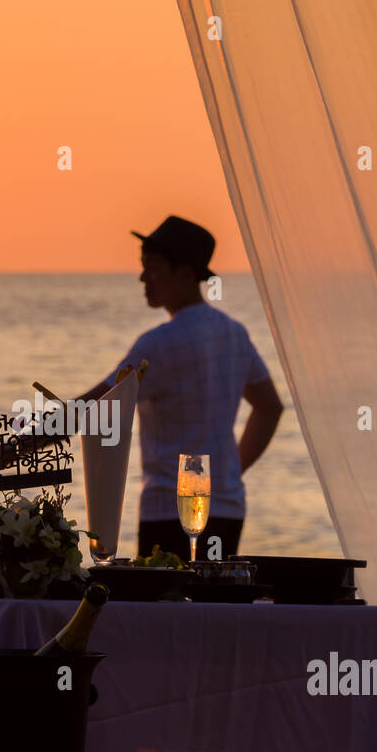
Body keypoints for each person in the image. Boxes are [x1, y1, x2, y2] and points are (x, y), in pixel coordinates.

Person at [80, 215, 283, 561]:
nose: (143, 278)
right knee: (211, 609)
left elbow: (92, 408)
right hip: (227, 507)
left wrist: (7, 450)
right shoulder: (234, 333)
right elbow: (269, 407)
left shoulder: (157, 345)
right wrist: (231, 470)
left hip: (167, 510)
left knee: (166, 611)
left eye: (153, 268)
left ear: (187, 274)